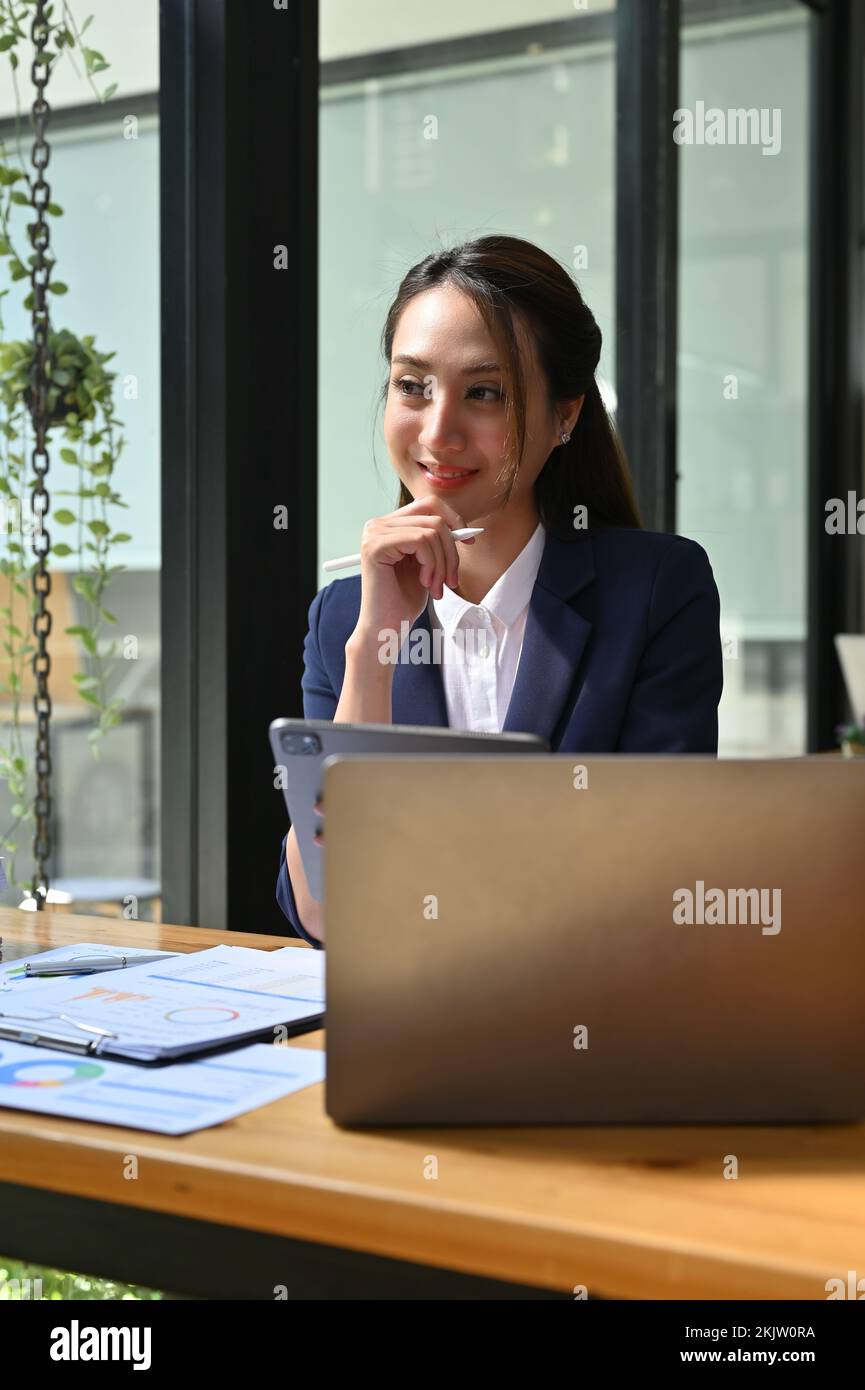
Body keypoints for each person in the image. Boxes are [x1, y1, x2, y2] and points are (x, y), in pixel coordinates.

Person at [277, 234, 723, 946]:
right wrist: (372, 656)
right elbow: (326, 913)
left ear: (565, 415)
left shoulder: (655, 592)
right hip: (405, 1018)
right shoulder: (344, 618)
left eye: (484, 393)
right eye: (411, 385)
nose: (438, 430)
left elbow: (658, 872)